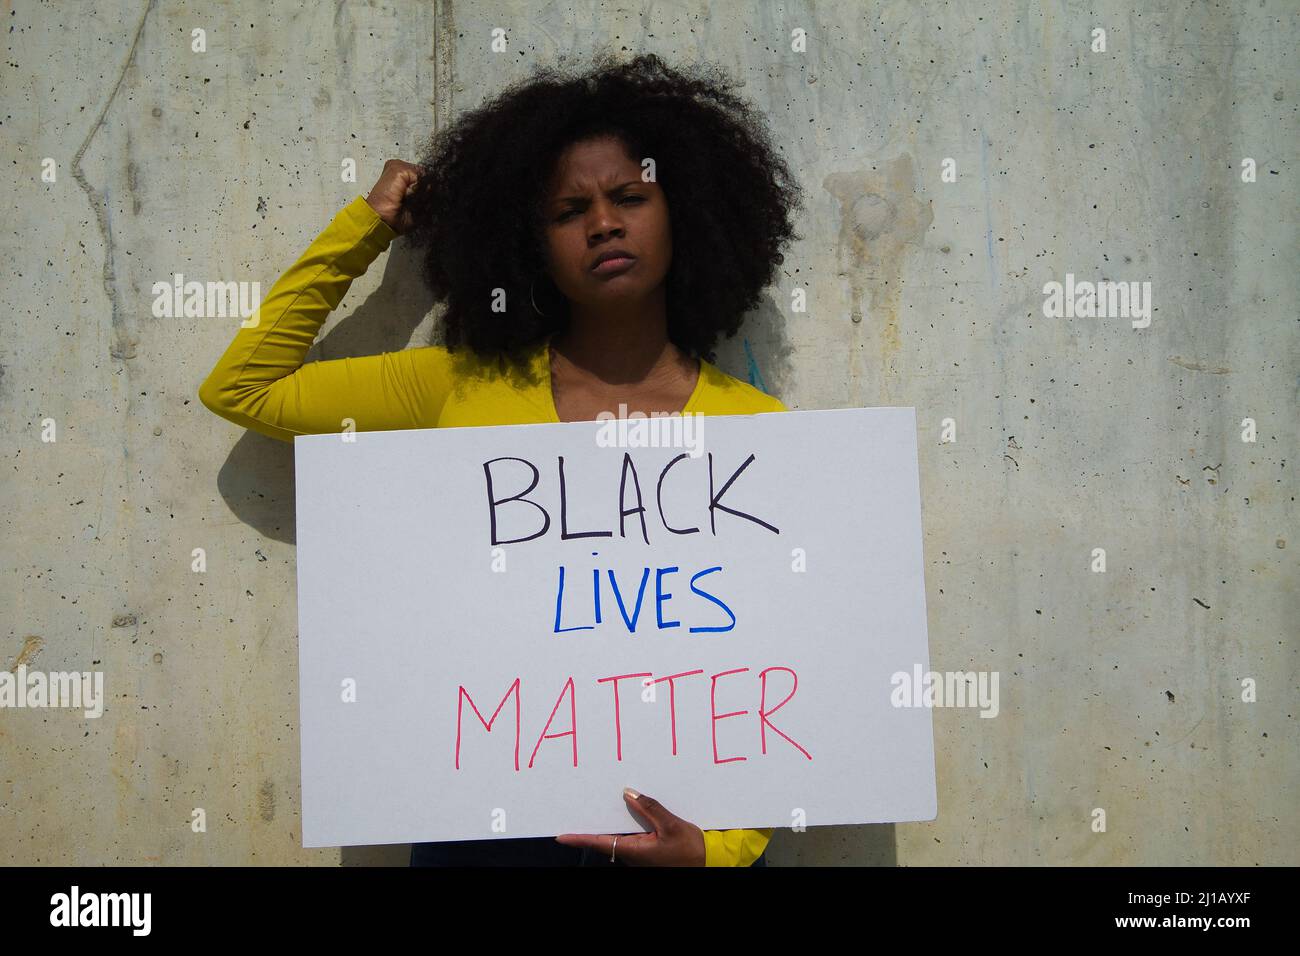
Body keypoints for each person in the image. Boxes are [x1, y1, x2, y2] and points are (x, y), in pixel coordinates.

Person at [199, 52, 803, 866]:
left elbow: (783, 673)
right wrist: (367, 226)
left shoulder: (757, 430)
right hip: (478, 832)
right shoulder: (455, 386)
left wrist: (717, 853)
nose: (603, 224)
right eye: (567, 211)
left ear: (685, 212)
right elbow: (244, 387)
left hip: (682, 845)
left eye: (630, 197)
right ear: (530, 243)